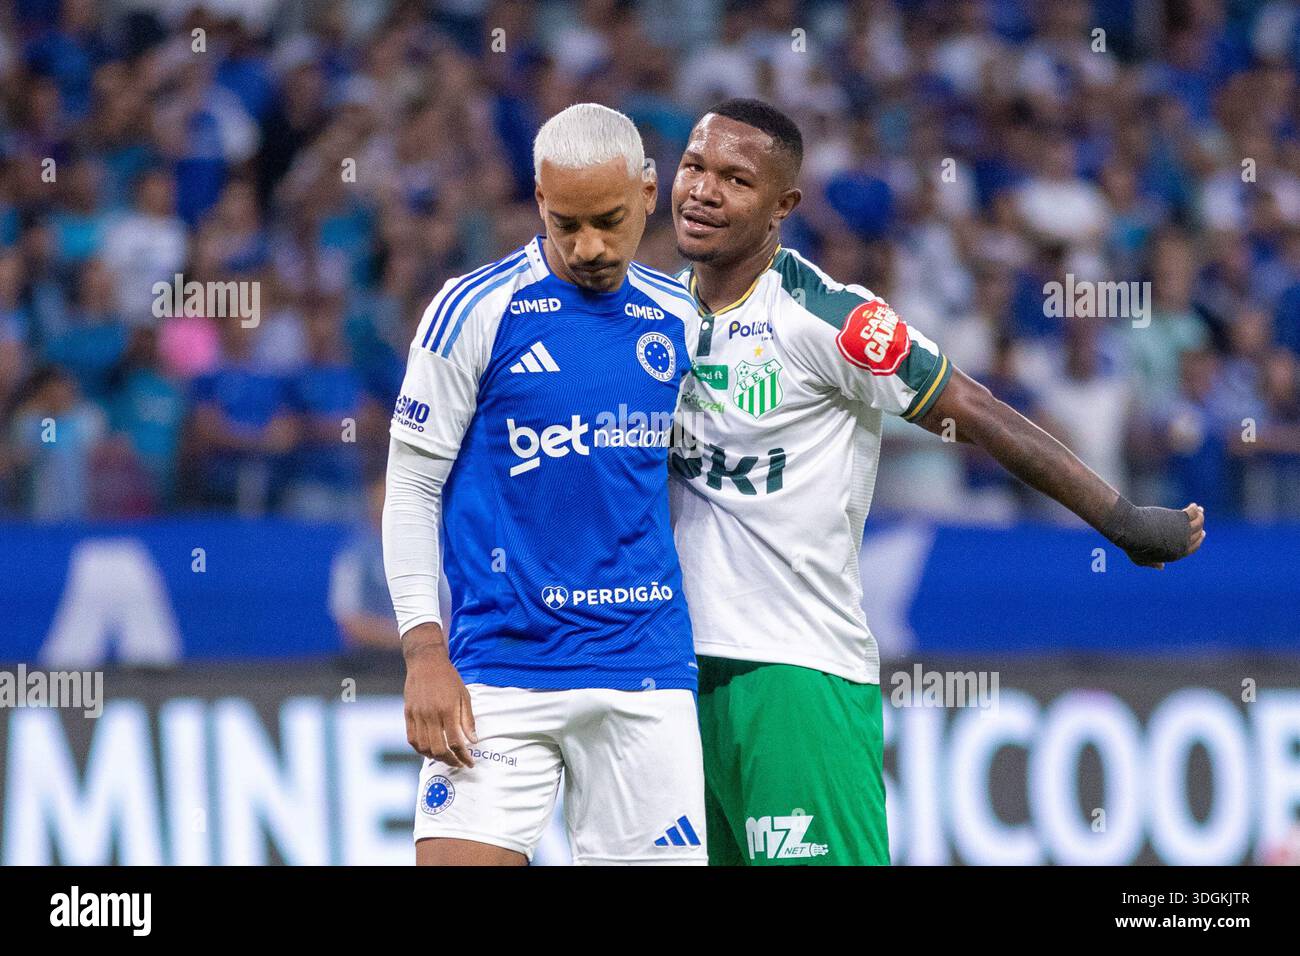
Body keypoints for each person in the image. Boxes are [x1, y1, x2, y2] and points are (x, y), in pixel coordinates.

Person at [666, 99, 1206, 866]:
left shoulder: (826, 317)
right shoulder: (655, 316)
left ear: (784, 206)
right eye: (694, 166)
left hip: (793, 674)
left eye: (735, 179)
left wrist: (1120, 519)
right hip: (675, 675)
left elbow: (974, 408)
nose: (704, 191)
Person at [384, 103, 706, 866]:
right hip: (499, 670)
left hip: (643, 671)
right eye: (566, 223)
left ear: (649, 194)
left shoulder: (679, 320)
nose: (589, 246)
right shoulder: (474, 309)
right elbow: (411, 489)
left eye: (609, 220)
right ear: (538, 202)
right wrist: (424, 651)